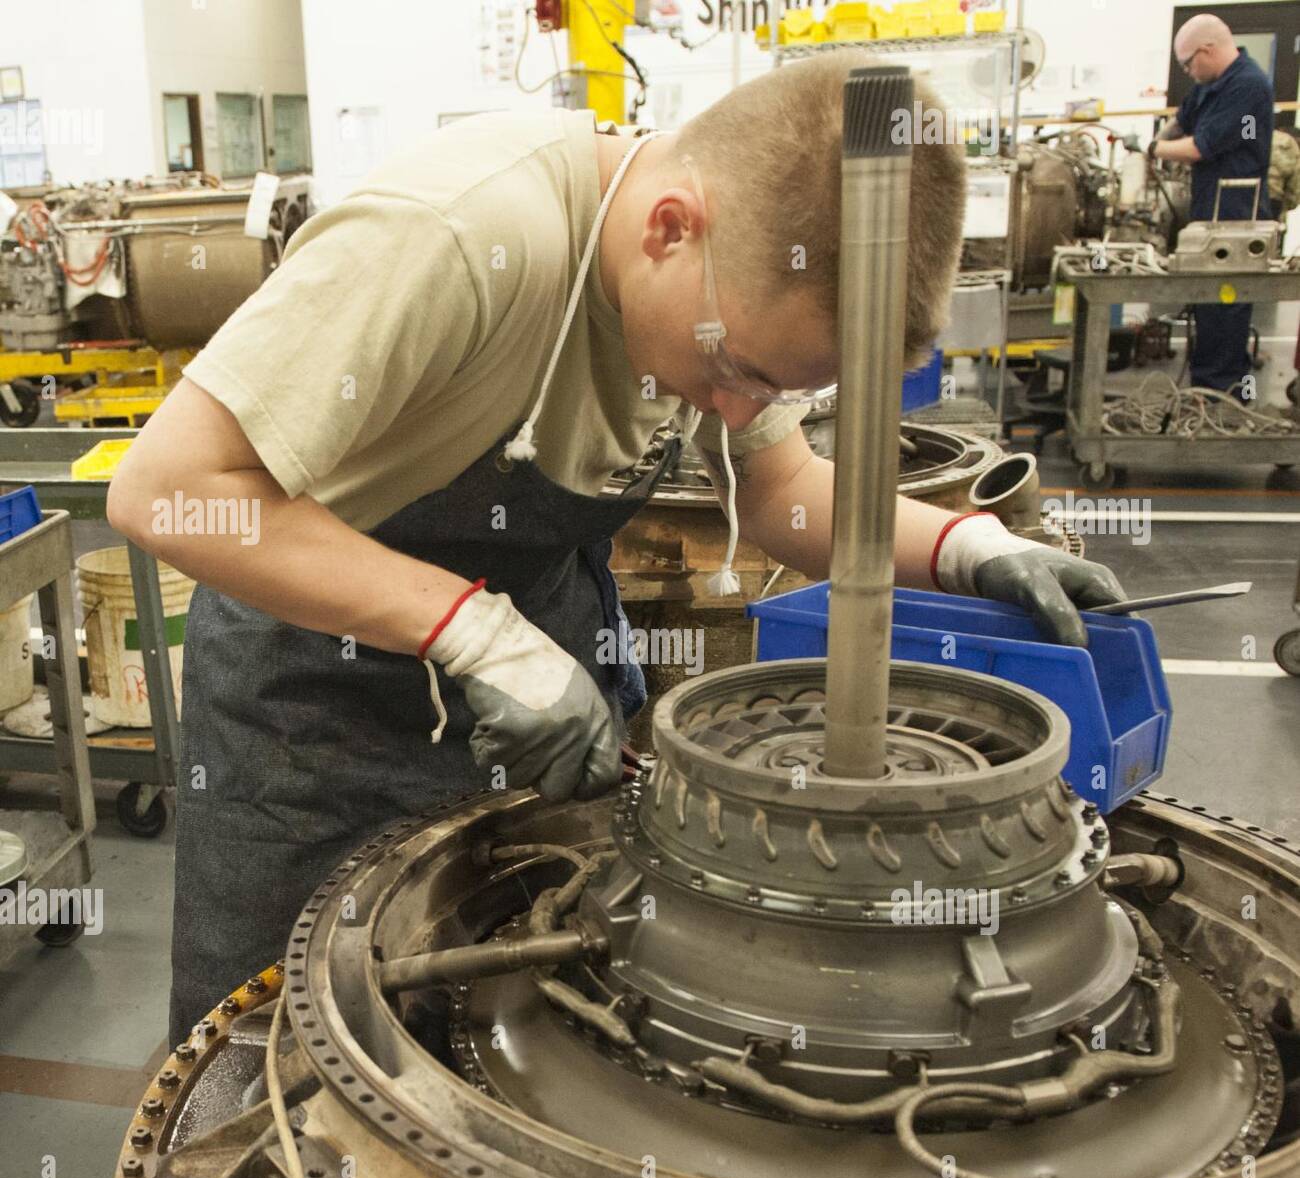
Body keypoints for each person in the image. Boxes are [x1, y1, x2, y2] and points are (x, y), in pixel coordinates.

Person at [106, 53, 1126, 1046]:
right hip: (312, 713)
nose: (735, 409)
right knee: (276, 1054)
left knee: (504, 1022)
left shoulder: (728, 287)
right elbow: (168, 490)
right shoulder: (454, 237)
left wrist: (967, 547)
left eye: (774, 390)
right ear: (669, 229)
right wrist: (474, 634)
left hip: (541, 685)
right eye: (734, 369)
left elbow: (782, 496)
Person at [1150, 13, 1274, 395]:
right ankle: (1205, 390)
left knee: (1226, 303)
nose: (1188, 72)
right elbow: (1183, 121)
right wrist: (1163, 134)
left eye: (1189, 63)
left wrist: (1155, 149)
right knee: (1206, 302)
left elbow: (1201, 147)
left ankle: (1226, 398)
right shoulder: (1210, 83)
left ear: (1207, 50)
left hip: (1236, 210)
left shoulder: (1248, 87)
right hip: (1210, 207)